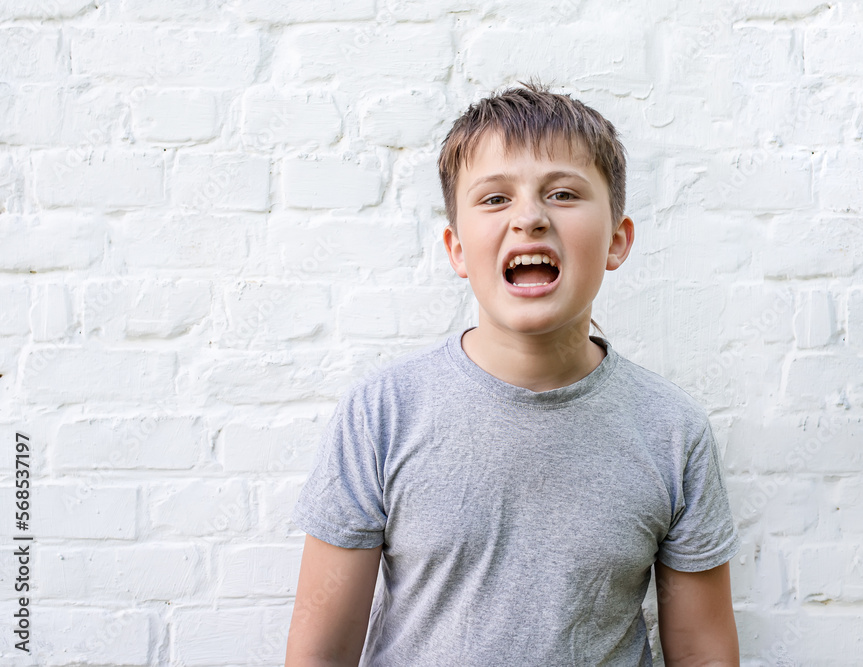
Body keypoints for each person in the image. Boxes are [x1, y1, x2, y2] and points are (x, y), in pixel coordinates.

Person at [285, 83, 741, 666]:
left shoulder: (673, 432)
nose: (529, 217)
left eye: (563, 193)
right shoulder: (382, 414)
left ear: (617, 240)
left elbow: (703, 654)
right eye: (495, 199)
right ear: (455, 249)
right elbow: (321, 653)